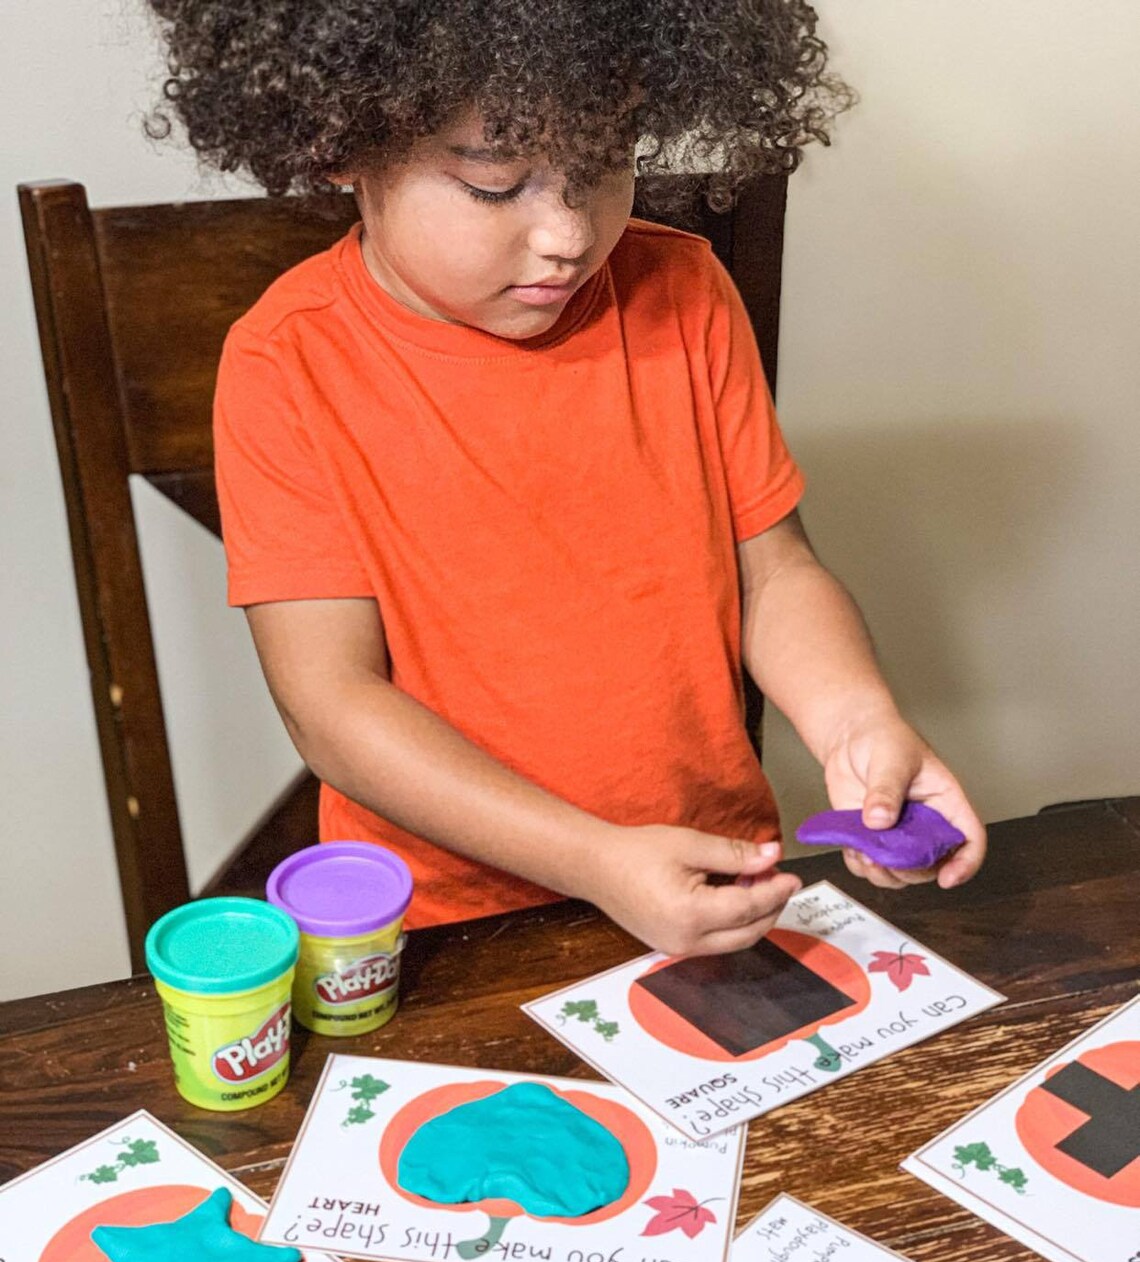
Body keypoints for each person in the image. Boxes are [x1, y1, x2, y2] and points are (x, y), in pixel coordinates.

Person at [146, 0, 986, 953]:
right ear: (345, 144)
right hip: (447, 933)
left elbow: (775, 575)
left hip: (707, 876)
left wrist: (854, 722)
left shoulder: (685, 292)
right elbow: (332, 704)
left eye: (603, 166)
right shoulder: (285, 365)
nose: (568, 235)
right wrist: (592, 858)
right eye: (498, 185)